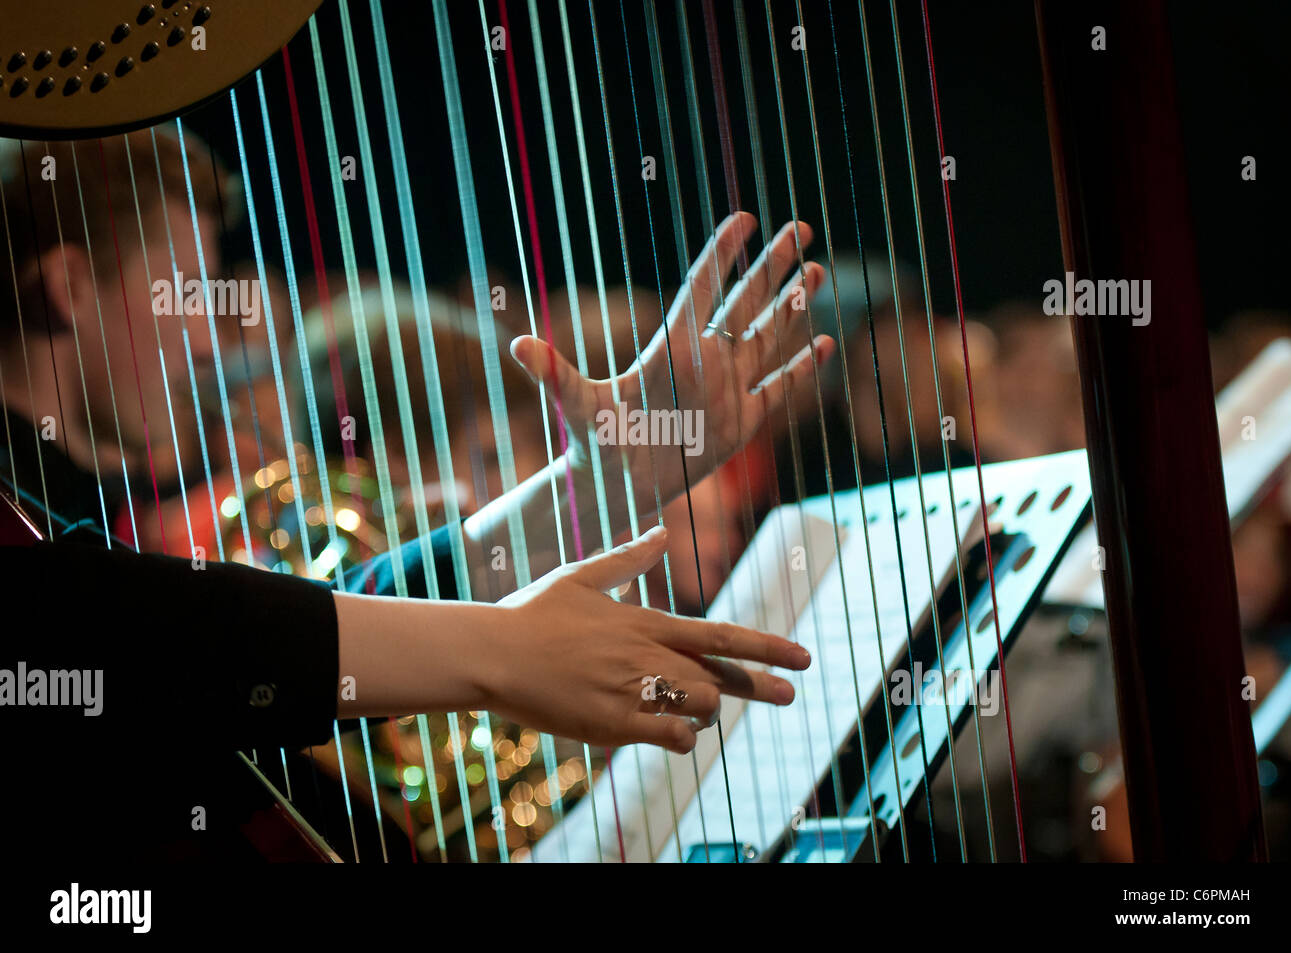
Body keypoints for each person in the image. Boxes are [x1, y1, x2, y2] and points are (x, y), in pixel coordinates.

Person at [0, 129, 832, 857]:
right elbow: (132, 636)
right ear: (69, 288)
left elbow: (307, 631)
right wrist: (497, 650)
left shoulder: (59, 510)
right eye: (182, 290)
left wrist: (596, 487)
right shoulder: (52, 552)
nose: (209, 343)